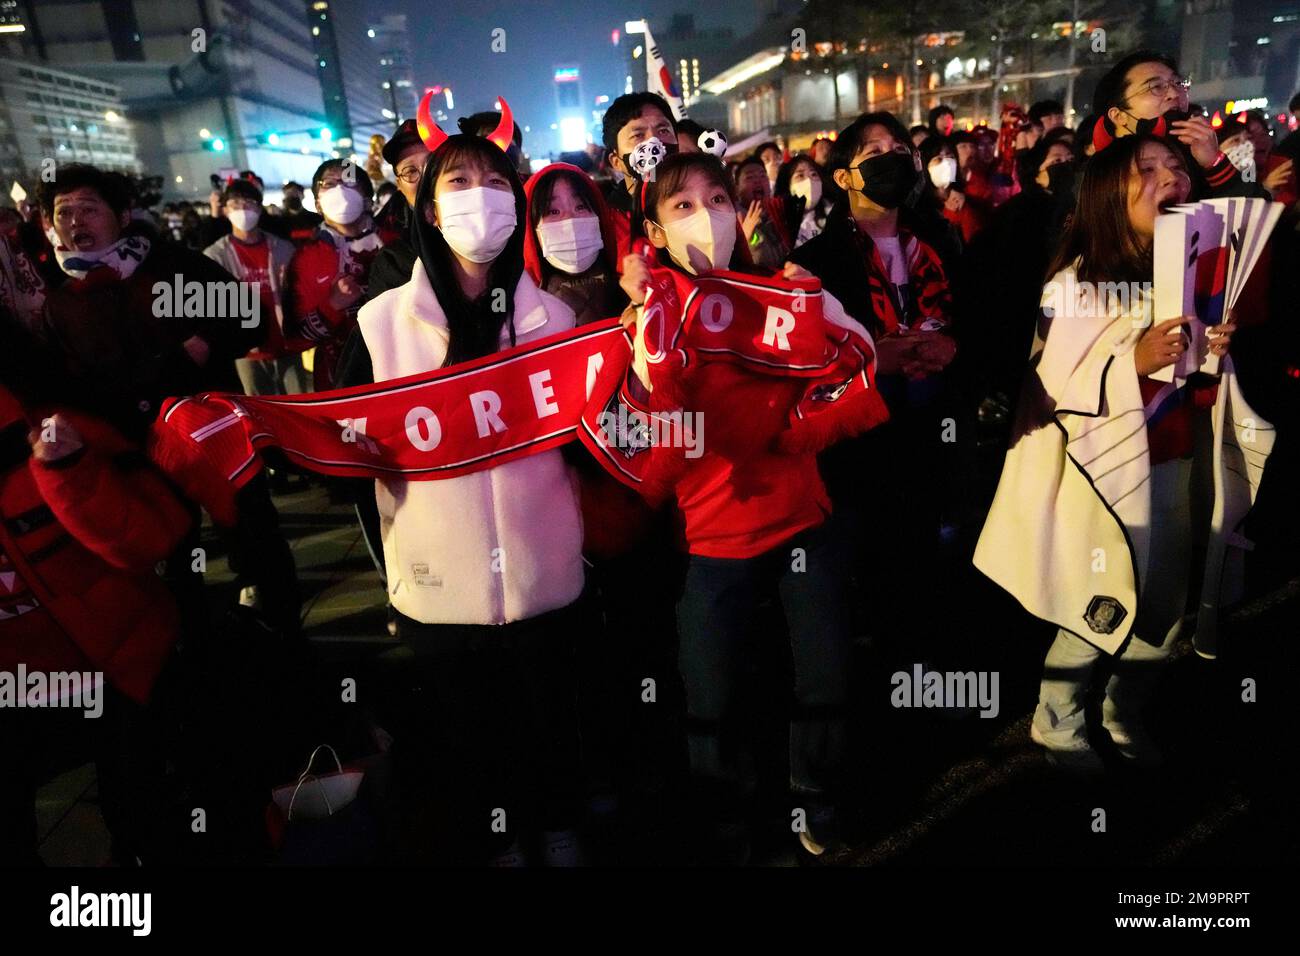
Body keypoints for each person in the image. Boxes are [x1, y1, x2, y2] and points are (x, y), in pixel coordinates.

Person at [618, 150, 888, 861]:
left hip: (803, 517)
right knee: (714, 692)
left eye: (716, 198)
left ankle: (816, 794)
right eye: (682, 206)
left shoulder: (779, 287)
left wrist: (816, 305)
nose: (706, 215)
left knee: (825, 668)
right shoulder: (648, 315)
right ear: (654, 227)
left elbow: (861, 361)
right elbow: (644, 436)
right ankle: (727, 813)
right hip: (709, 537)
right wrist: (650, 332)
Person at [974, 134, 1270, 772]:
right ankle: (1058, 721)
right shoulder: (1077, 283)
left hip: (1177, 461)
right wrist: (1131, 361)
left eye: (1176, 166)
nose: (1171, 176)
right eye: (1147, 169)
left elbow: (1206, 376)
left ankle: (1124, 709)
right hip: (1101, 475)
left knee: (1164, 605)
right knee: (1096, 598)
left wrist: (1217, 345)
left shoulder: (1202, 272)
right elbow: (1053, 385)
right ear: (1111, 194)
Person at [337, 128, 586, 867]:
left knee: (552, 724)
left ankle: (559, 828)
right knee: (469, 738)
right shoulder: (378, 324)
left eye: (498, 181)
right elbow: (340, 453)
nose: (481, 196)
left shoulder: (560, 321)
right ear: (429, 209)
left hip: (548, 578)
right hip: (440, 594)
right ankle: (501, 843)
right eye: (458, 182)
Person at [0, 309, 193, 866]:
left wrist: (69, 474)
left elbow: (151, 539)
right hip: (15, 688)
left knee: (146, 819)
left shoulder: (59, 425)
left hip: (115, 669)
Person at [789, 112, 959, 644]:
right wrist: (868, 361)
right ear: (843, 177)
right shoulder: (813, 262)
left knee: (922, 564)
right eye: (874, 151)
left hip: (930, 433)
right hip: (858, 449)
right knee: (862, 578)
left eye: (900, 148)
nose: (894, 158)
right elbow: (802, 365)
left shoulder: (940, 242)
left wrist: (952, 346)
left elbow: (982, 321)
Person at [1090, 49, 1264, 199]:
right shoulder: (1085, 182)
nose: (1174, 93)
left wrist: (1214, 162)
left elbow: (1257, 219)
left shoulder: (1198, 163)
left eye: (1178, 83)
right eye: (1156, 87)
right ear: (1118, 115)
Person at [203, 177, 308, 398]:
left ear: (259, 209)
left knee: (300, 405)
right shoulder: (215, 256)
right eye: (235, 204)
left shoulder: (283, 249)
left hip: (285, 344)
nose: (243, 209)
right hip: (246, 351)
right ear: (225, 210)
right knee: (259, 410)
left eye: (249, 203)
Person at [283, 160, 384, 391]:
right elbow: (295, 339)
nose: (340, 189)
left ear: (368, 198)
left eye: (350, 182)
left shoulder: (393, 243)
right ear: (317, 203)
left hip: (400, 372)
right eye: (329, 183)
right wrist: (333, 305)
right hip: (338, 381)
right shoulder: (303, 259)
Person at [522, 163, 627, 325]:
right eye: (553, 211)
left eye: (580, 206)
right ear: (531, 228)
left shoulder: (631, 279)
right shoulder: (520, 308)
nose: (570, 220)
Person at [600, 92, 680, 262]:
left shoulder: (704, 200)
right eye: (638, 135)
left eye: (663, 130)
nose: (654, 141)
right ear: (616, 161)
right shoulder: (606, 227)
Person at [365, 118, 428, 303]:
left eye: (433, 165)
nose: (425, 178)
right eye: (410, 171)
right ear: (399, 184)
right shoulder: (389, 257)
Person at [734, 155, 788, 270]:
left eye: (763, 176)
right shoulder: (735, 222)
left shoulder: (780, 211)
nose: (758, 181)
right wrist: (749, 241)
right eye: (750, 177)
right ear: (736, 188)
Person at [773, 153, 833, 248]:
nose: (809, 180)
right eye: (800, 176)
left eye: (813, 174)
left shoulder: (836, 214)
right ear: (788, 185)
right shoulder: (778, 220)